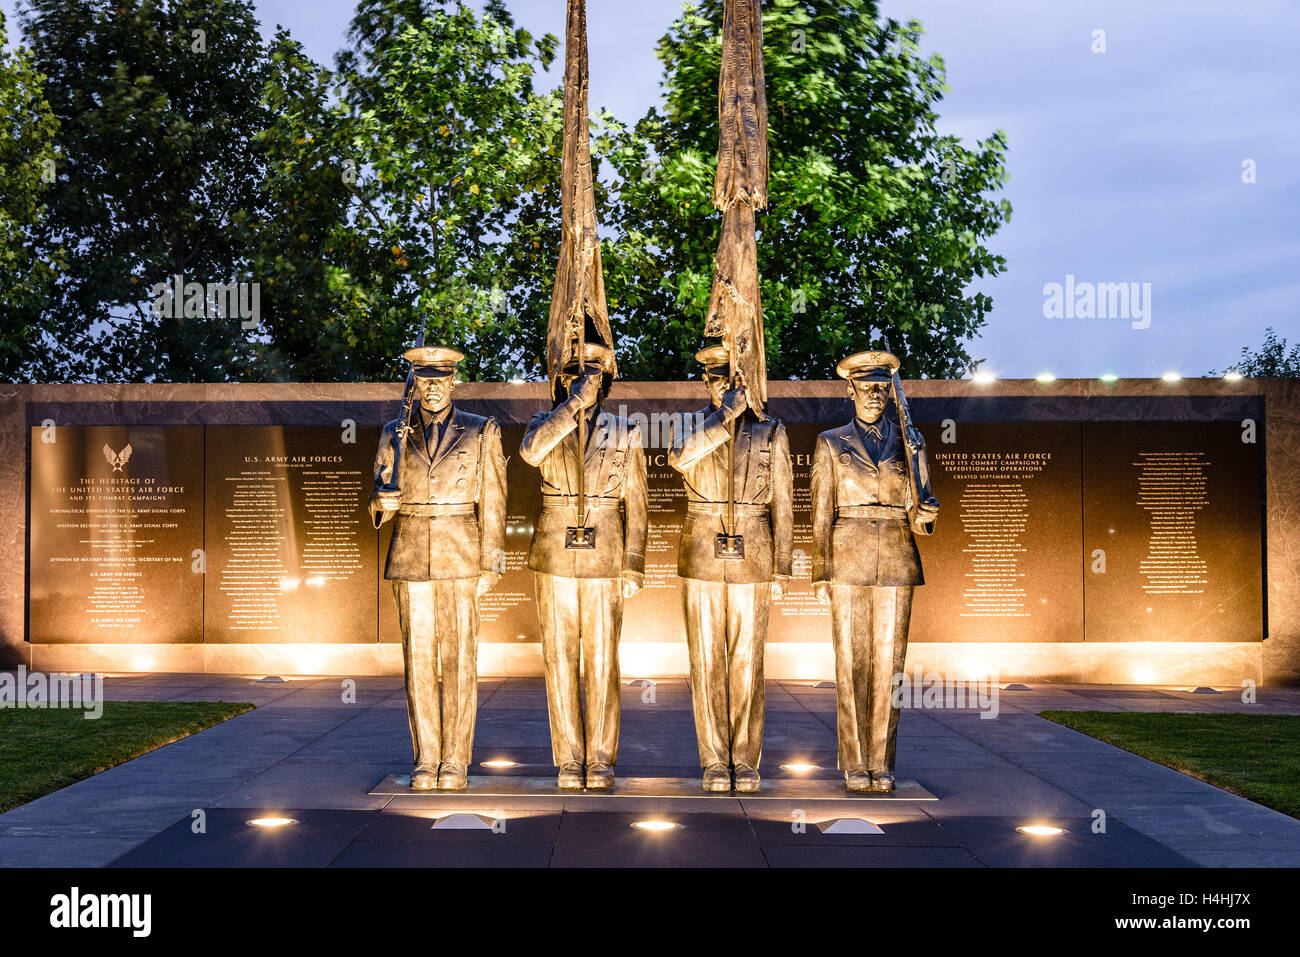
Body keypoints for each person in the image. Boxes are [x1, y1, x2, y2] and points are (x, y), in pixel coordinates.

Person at [369, 345, 507, 790]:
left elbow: (495, 501)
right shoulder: (394, 430)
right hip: (410, 552)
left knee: (460, 660)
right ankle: (426, 758)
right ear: (414, 383)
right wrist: (380, 502)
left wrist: (491, 560)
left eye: (439, 380)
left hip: (461, 550)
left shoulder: (481, 430)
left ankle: (456, 760)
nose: (431, 388)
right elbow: (379, 494)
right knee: (418, 662)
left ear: (454, 382)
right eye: (423, 380)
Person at [519, 342, 648, 789]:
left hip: (606, 550)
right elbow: (531, 453)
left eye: (594, 374)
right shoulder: (544, 423)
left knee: (602, 662)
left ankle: (601, 758)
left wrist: (633, 563)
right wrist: (572, 405)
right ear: (562, 380)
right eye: (576, 373)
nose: (586, 380)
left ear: (606, 381)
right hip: (555, 552)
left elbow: (638, 502)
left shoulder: (625, 429)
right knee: (558, 661)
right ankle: (569, 758)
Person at [810, 350, 939, 792]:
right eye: (865, 388)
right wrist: (822, 571)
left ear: (889, 392)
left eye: (881, 389)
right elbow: (820, 511)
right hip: (847, 555)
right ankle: (853, 761)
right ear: (850, 391)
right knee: (850, 663)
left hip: (898, 556)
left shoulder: (910, 441)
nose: (873, 396)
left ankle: (881, 762)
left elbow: (920, 514)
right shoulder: (830, 442)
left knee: (890, 665)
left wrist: (926, 511)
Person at [668, 346, 792, 792]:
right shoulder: (689, 426)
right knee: (705, 664)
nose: (724, 387)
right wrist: (724, 417)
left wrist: (781, 568)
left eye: (732, 380)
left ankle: (746, 758)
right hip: (702, 549)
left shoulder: (770, 430)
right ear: (707, 382)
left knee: (747, 662)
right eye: (717, 380)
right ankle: (715, 761)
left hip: (754, 550)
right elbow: (680, 457)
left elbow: (782, 501)